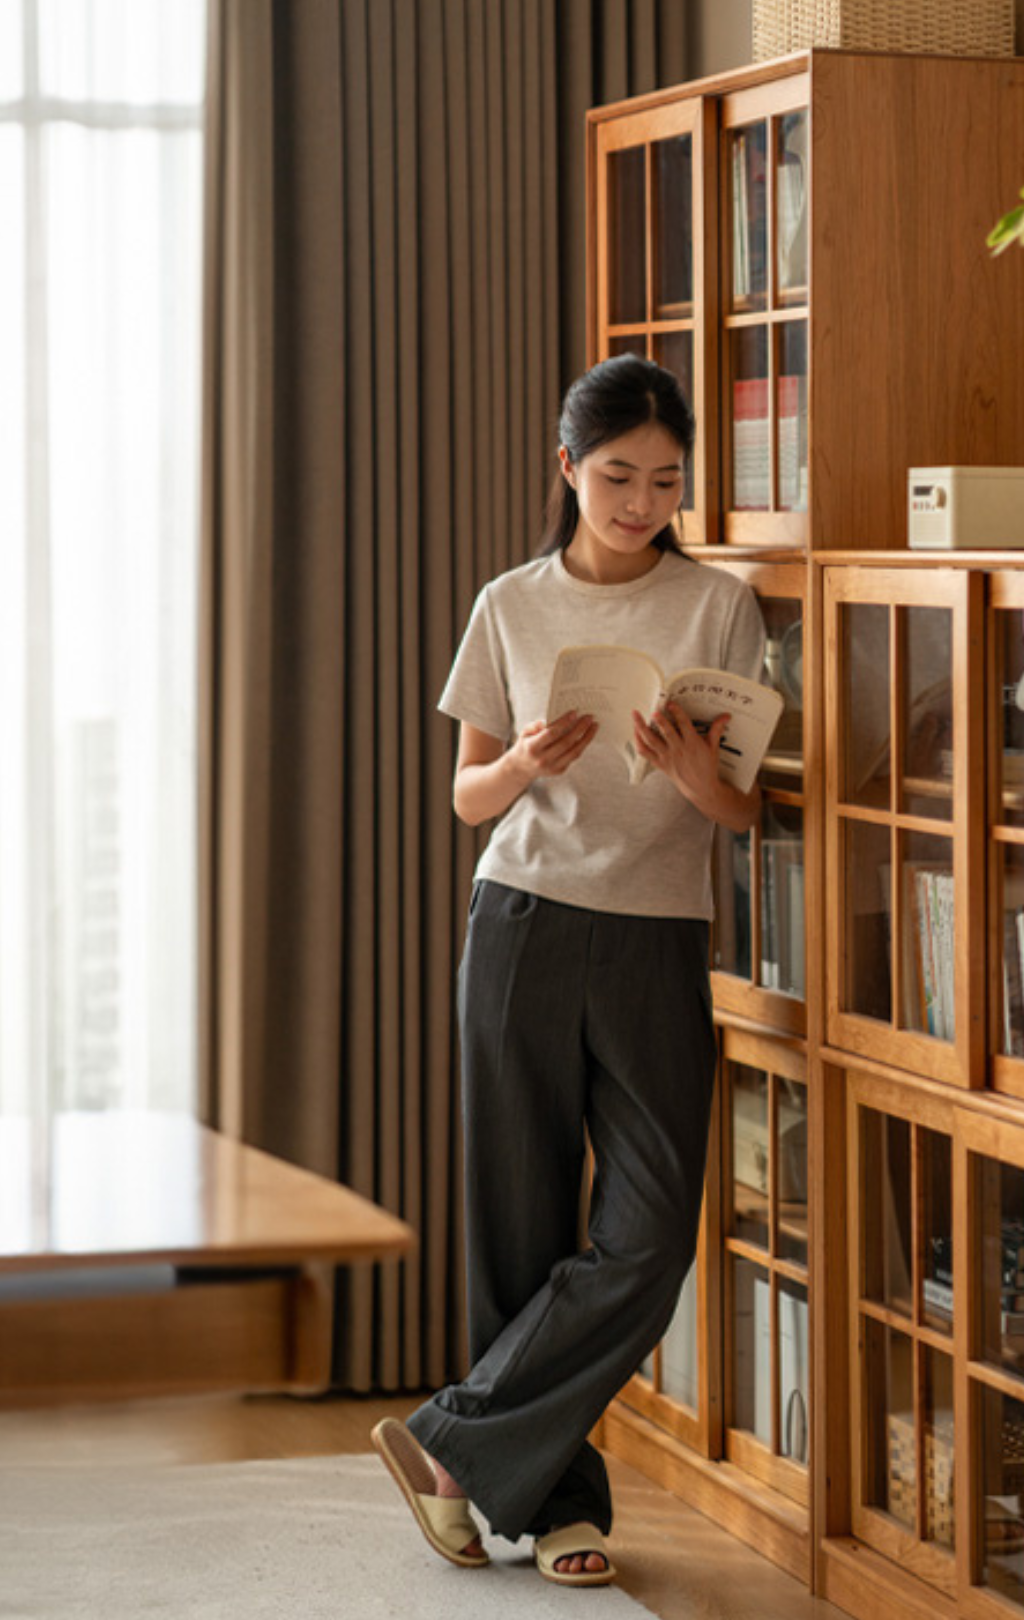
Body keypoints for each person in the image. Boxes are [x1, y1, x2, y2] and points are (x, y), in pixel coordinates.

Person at [371, 354, 766, 1587]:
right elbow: (465, 796)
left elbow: (741, 813)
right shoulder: (511, 604)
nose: (641, 501)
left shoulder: (720, 609)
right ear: (569, 470)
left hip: (656, 936)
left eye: (664, 480)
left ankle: (454, 1445)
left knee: (650, 1234)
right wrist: (532, 763)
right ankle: (556, 1510)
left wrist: (696, 775)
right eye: (616, 477)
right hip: (523, 921)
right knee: (521, 1226)